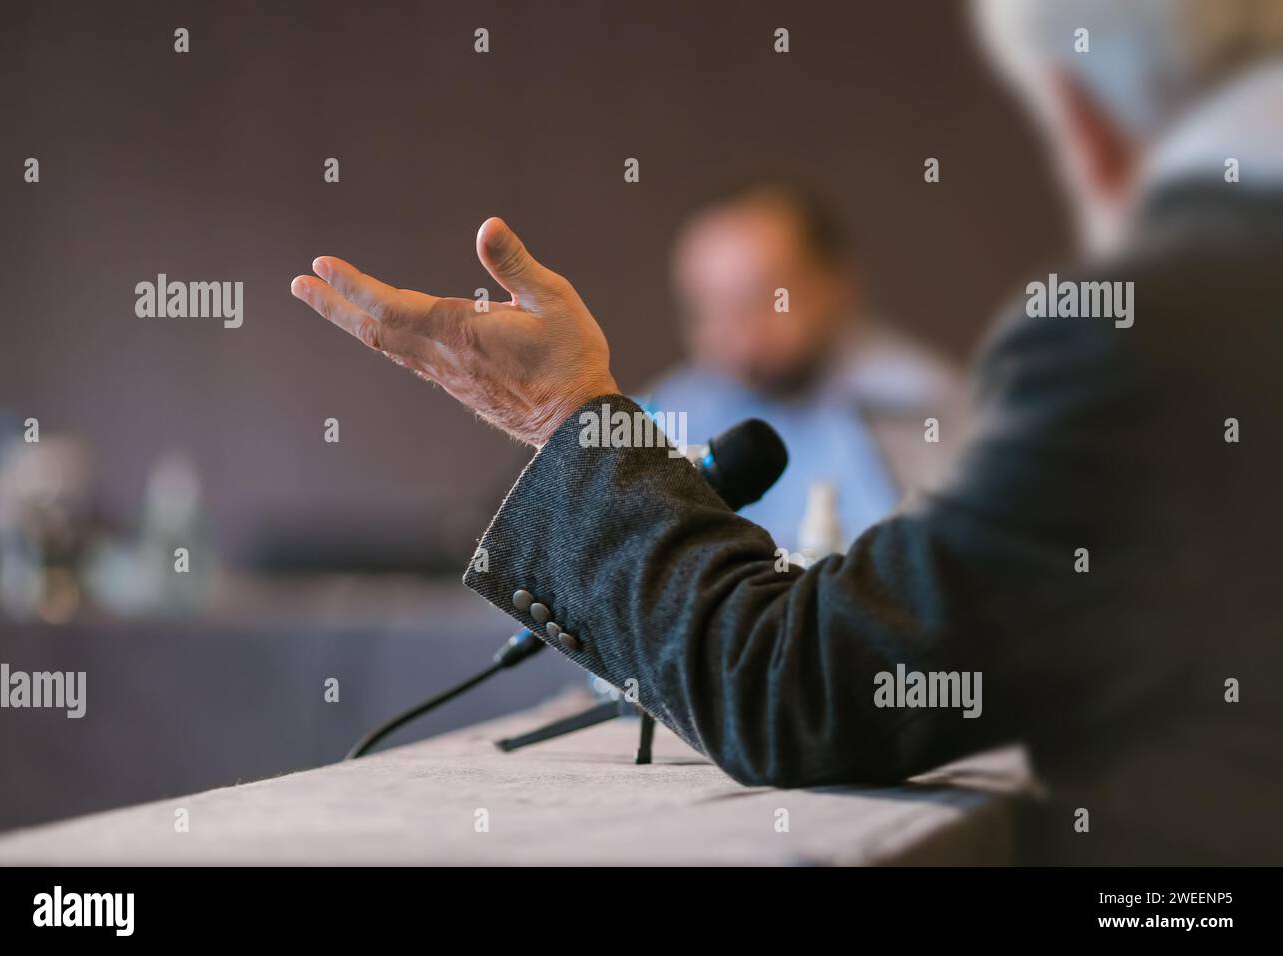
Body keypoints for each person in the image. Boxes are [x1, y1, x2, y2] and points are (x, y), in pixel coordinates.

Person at [290, 0, 1283, 863]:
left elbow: (795, 685)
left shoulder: (1148, 332)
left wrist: (565, 415)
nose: (738, 327)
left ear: (1082, 114)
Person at [647, 179, 963, 552]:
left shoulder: (921, 407)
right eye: (706, 311)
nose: (736, 337)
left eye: (758, 299)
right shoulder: (665, 418)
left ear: (836, 280)